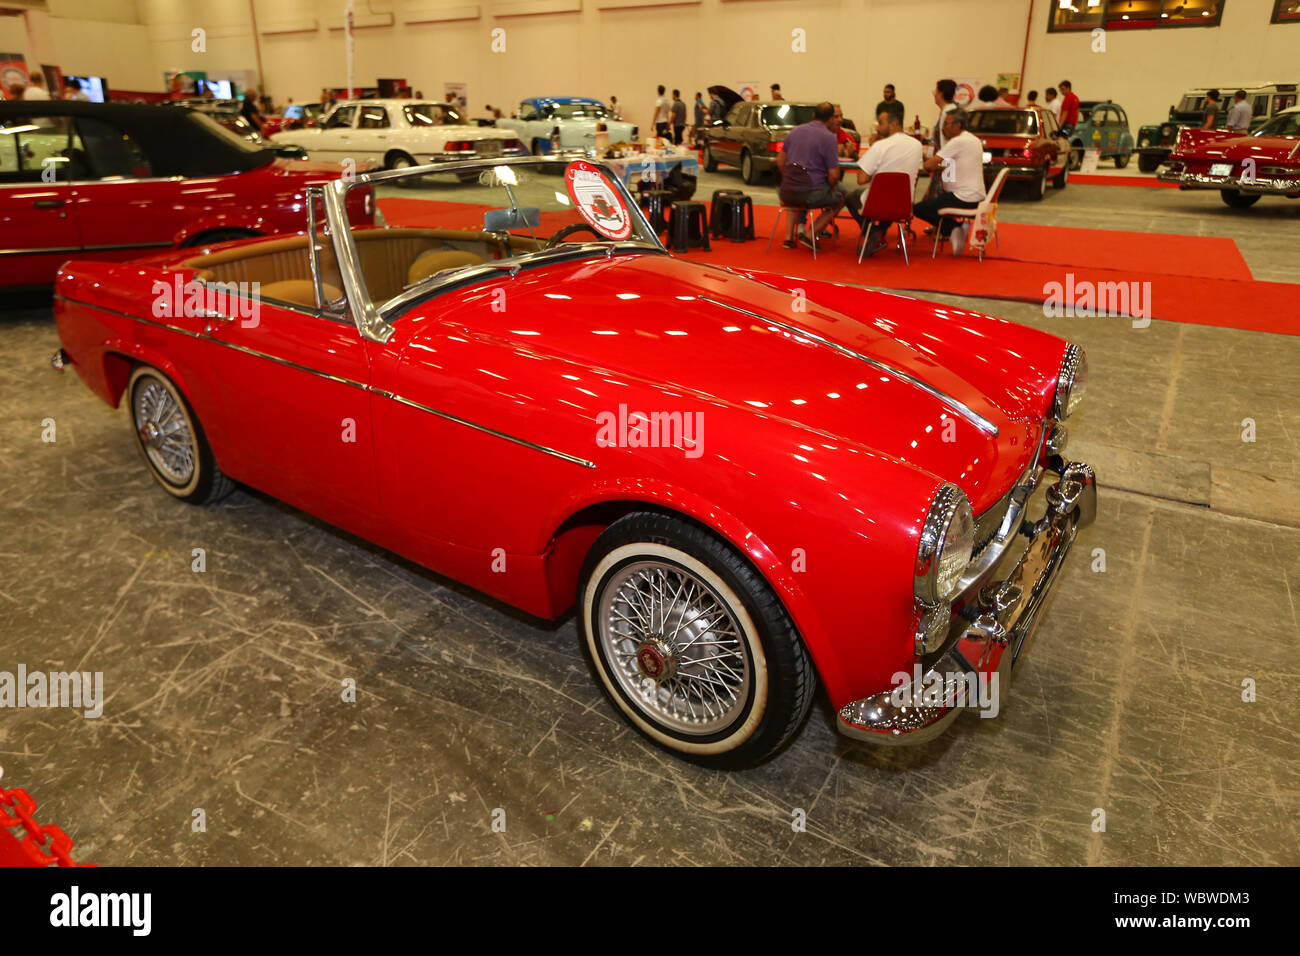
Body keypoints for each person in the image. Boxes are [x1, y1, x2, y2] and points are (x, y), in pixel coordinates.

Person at [843, 110, 924, 256]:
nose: (877, 128)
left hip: (877, 203)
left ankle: (874, 234)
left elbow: (861, 179)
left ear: (892, 125)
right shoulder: (917, 145)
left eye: (881, 124)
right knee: (890, 203)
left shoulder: (880, 146)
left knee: (851, 197)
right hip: (904, 204)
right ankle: (879, 233)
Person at [913, 109, 986, 257]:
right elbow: (948, 165)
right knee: (934, 203)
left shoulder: (957, 141)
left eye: (946, 124)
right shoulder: (973, 139)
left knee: (918, 208)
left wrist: (920, 154)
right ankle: (956, 229)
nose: (943, 127)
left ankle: (954, 228)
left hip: (963, 198)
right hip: (977, 197)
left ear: (958, 124)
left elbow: (928, 166)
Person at [776, 102, 844, 250]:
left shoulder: (794, 131)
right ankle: (810, 234)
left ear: (813, 115)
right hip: (810, 192)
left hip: (786, 192)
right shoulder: (829, 138)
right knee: (841, 196)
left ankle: (788, 239)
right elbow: (834, 175)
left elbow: (780, 161)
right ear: (831, 119)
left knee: (795, 196)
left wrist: (789, 178)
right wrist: (831, 188)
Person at [932, 79, 957, 147]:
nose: (934, 95)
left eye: (935, 92)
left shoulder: (950, 112)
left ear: (941, 94)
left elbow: (949, 140)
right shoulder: (943, 111)